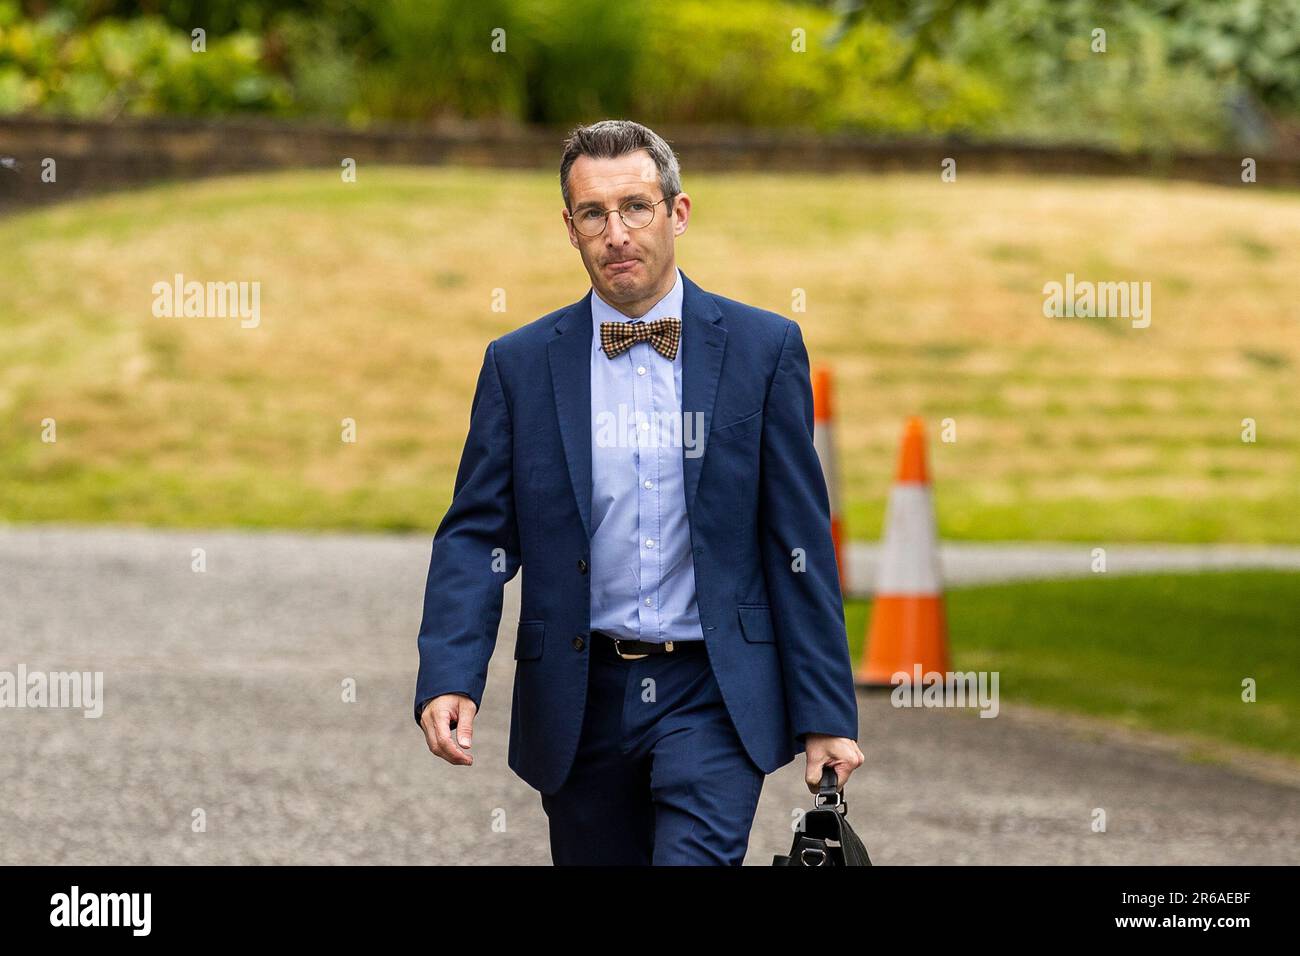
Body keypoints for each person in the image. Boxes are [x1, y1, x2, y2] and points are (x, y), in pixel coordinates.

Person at [414, 119, 862, 865]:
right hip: (578, 697)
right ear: (570, 228)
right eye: (594, 213)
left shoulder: (763, 350)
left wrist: (826, 712)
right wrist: (450, 674)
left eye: (636, 208)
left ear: (677, 213)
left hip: (713, 692)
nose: (616, 232)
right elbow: (478, 536)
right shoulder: (520, 365)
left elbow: (798, 543)